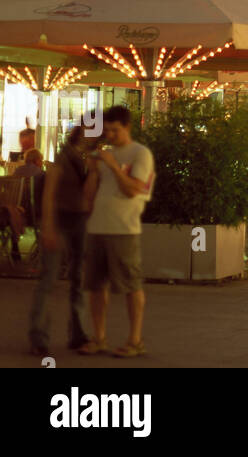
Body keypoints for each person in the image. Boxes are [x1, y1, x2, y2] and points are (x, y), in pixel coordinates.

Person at [79, 106, 155, 358]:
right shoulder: (106, 155)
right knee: (95, 285)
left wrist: (112, 166)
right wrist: (92, 170)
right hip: (98, 227)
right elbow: (88, 197)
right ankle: (98, 337)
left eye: (115, 130)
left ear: (127, 127)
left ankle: (135, 339)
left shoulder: (140, 154)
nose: (110, 135)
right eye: (107, 130)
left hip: (124, 229)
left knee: (131, 284)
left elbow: (134, 189)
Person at [29, 125, 95, 355]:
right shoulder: (63, 157)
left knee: (78, 279)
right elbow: (49, 192)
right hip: (60, 219)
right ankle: (39, 336)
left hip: (81, 221)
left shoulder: (90, 159)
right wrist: (48, 226)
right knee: (50, 278)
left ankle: (77, 334)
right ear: (80, 133)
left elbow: (89, 194)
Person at [10, 148, 45, 257]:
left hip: (14, 213)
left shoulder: (17, 171)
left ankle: (14, 245)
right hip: (33, 212)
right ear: (36, 160)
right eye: (41, 160)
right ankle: (40, 249)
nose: (42, 162)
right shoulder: (41, 173)